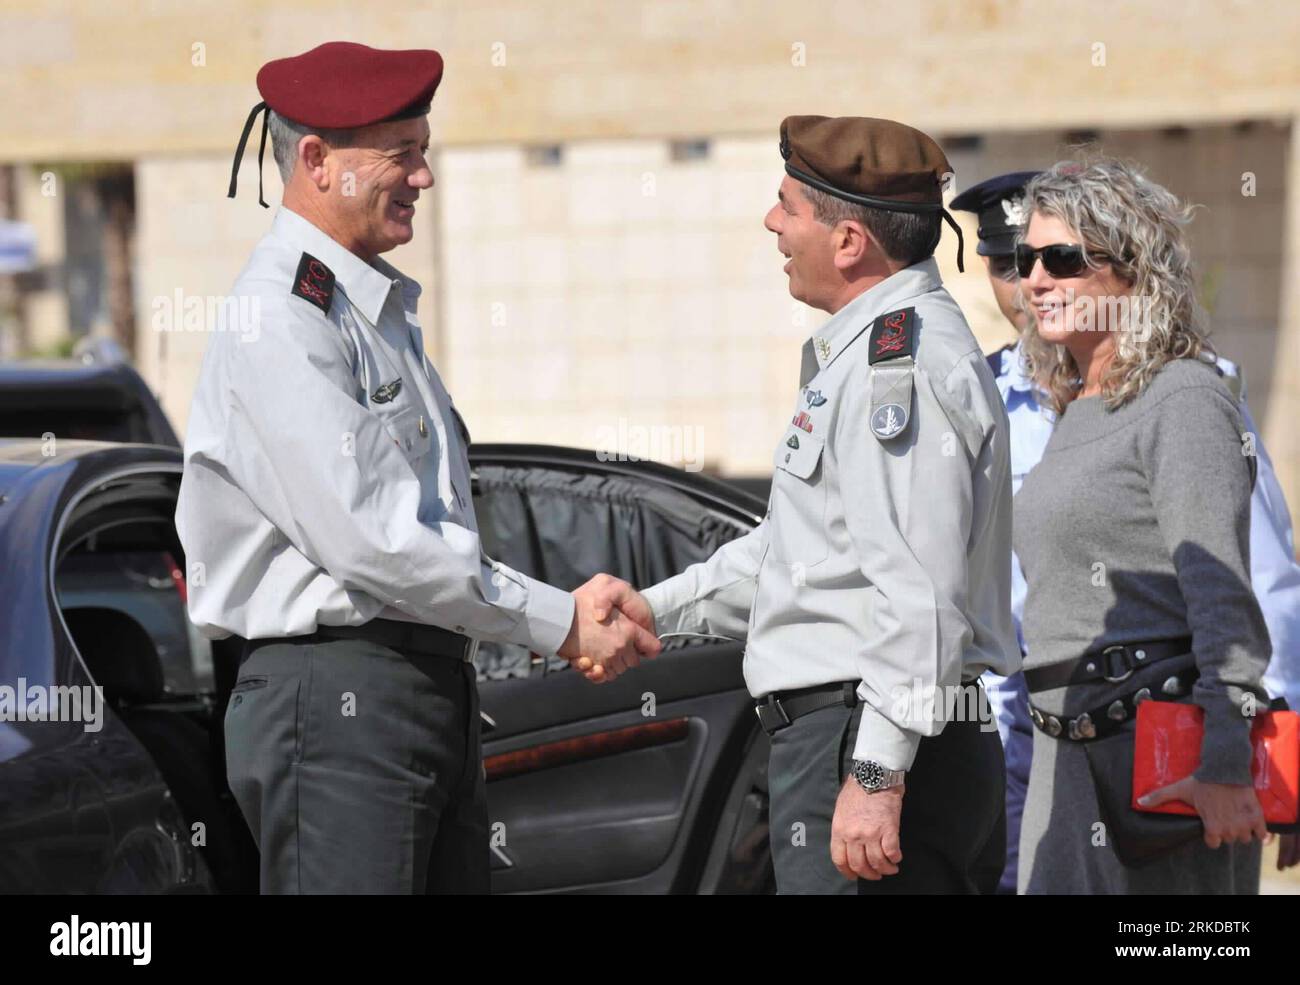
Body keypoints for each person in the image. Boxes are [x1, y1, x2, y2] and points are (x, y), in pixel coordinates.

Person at [176, 41, 657, 894]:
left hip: (404, 689)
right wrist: (561, 620)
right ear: (318, 162)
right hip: (339, 701)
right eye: (403, 153)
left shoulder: (366, 306)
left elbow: (420, 529)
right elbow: (380, 542)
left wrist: (555, 612)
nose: (424, 177)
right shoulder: (282, 318)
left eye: (424, 152)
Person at [582, 116, 1021, 893]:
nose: (772, 223)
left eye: (788, 207)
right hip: (875, 731)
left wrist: (878, 774)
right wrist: (654, 608)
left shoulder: (901, 366)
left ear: (850, 241)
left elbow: (920, 595)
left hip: (875, 736)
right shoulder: (869, 352)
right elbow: (797, 559)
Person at [955, 169, 1300, 886]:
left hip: (1164, 768)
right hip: (1061, 757)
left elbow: (1228, 602)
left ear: (1133, 265)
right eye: (1024, 260)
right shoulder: (1079, 404)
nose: (1035, 278)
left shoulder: (1183, 396)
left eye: (1063, 259)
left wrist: (1227, 764)